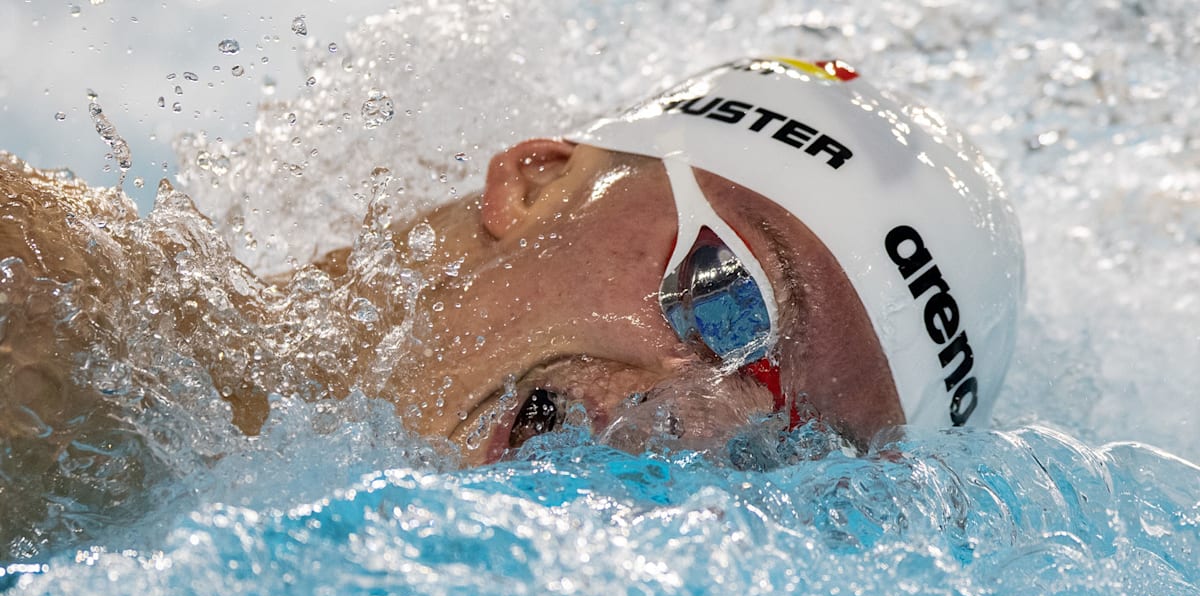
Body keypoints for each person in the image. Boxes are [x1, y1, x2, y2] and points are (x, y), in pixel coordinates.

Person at [0, 57, 1024, 477]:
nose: (696, 424)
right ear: (535, 183)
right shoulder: (43, 309)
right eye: (726, 303)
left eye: (779, 437)